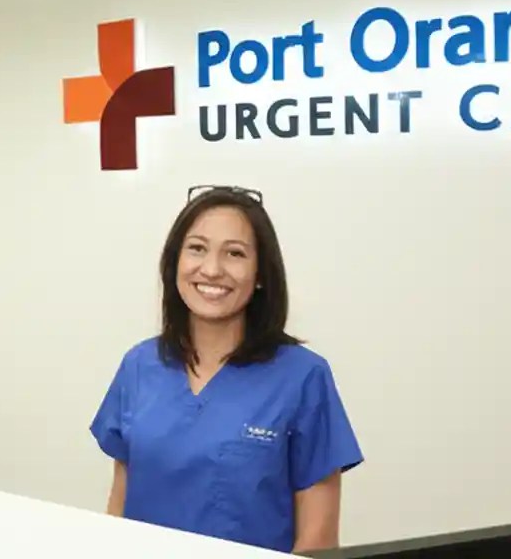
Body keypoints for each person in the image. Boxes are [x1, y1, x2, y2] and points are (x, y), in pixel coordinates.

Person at [89, 185, 363, 555]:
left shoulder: (303, 377)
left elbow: (318, 540)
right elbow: (120, 503)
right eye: (197, 249)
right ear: (175, 264)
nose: (212, 269)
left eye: (234, 253)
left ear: (261, 273)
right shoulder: (139, 366)